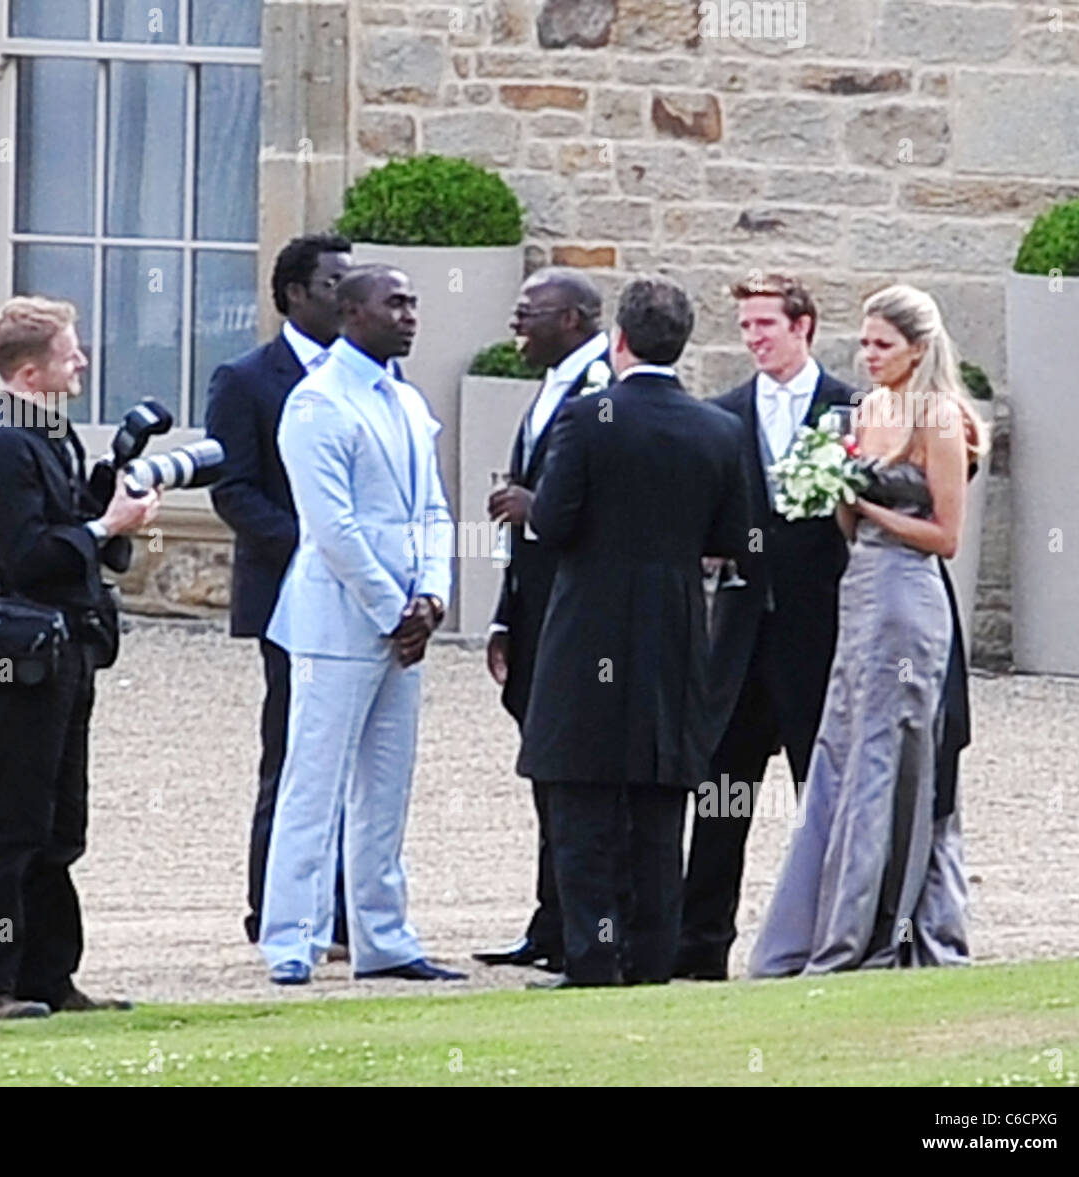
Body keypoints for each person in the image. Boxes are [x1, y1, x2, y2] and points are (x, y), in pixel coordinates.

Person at [748, 283, 988, 977]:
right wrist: (832, 494)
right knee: (844, 746)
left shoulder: (939, 419)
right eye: (863, 341)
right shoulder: (863, 409)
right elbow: (848, 523)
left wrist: (867, 503)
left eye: (883, 344)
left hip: (911, 600)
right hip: (859, 593)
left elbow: (945, 536)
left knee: (893, 752)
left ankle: (885, 926)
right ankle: (824, 920)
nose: (869, 354)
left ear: (917, 349)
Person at [516, 276, 749, 989]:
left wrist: (530, 505)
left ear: (619, 339)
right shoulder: (720, 427)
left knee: (582, 796)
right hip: (673, 626)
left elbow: (552, 522)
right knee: (658, 800)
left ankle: (591, 956)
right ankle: (651, 958)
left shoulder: (589, 417)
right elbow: (730, 535)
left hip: (589, 622)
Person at [0, 296, 159, 1019]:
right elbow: (29, 555)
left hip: (66, 641)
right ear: (31, 370)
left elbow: (63, 525)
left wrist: (108, 501)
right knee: (13, 817)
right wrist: (108, 523)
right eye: (72, 353)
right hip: (20, 646)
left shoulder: (49, 432)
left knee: (60, 820)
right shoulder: (3, 445)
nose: (84, 362)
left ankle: (46, 976)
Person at [259, 265, 464, 985]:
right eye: (395, 302)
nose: (410, 314)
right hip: (336, 622)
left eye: (414, 301)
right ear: (351, 313)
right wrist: (392, 608)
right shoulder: (315, 403)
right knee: (313, 782)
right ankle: (291, 937)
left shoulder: (406, 400)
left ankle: (382, 935)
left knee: (386, 783)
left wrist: (432, 597)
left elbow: (434, 510)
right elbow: (331, 525)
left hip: (405, 619)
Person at [673, 274, 857, 981]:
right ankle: (699, 943)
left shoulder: (850, 407)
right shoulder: (724, 415)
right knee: (724, 791)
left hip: (822, 627)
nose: (753, 339)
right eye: (745, 326)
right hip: (741, 631)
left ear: (803, 325)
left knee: (827, 789)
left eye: (765, 326)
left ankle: (831, 936)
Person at [205, 233, 353, 951]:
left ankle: (350, 915)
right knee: (293, 751)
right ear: (296, 294)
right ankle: (276, 911)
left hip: (362, 595)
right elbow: (232, 489)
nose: (347, 296)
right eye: (334, 283)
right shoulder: (247, 377)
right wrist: (314, 546)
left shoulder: (368, 375)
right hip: (290, 592)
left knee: (358, 756)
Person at [473, 267, 610, 975]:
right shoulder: (554, 383)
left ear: (578, 317)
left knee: (572, 772)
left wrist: (539, 507)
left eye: (532, 313)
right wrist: (504, 616)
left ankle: (582, 925)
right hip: (534, 606)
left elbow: (590, 506)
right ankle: (550, 917)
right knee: (544, 769)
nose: (516, 326)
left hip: (576, 612)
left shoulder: (602, 391)